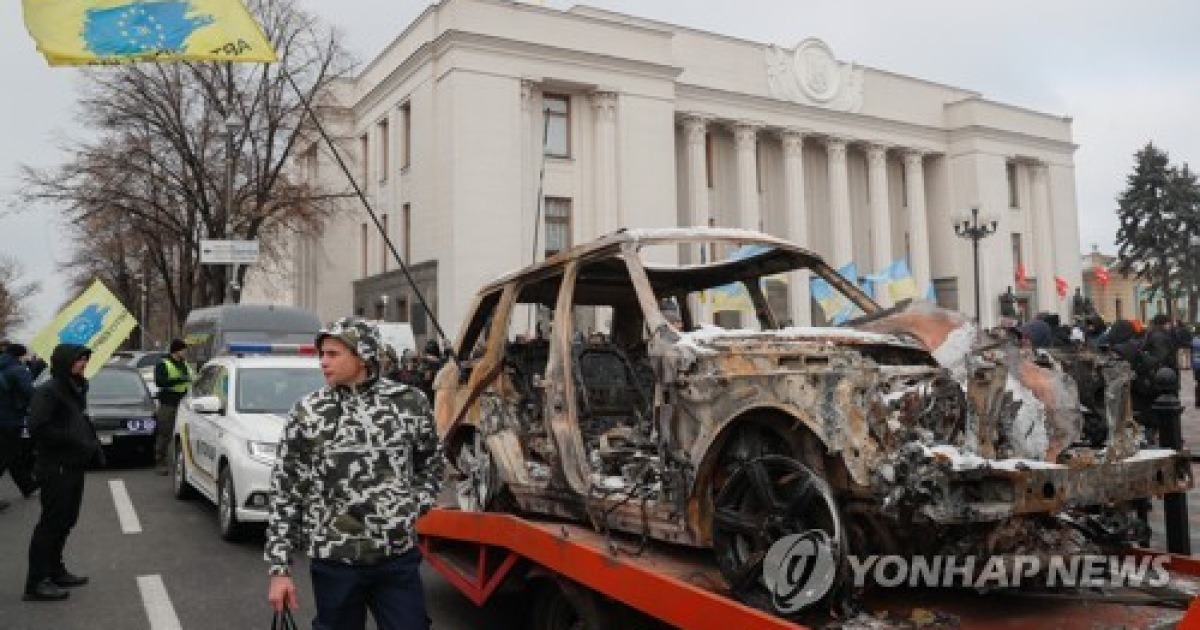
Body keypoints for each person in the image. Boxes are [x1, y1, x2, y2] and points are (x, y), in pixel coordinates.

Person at [265, 317, 444, 630]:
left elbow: (431, 460)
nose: (323, 362)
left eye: (333, 354)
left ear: (363, 356)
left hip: (395, 557)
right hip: (335, 562)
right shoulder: (308, 412)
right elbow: (286, 490)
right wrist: (279, 570)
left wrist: (412, 505)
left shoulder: (408, 403)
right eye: (321, 354)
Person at [24, 344, 100, 601]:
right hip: (55, 467)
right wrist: (73, 440)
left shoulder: (77, 388)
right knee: (51, 524)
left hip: (73, 465)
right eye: (80, 360)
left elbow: (79, 420)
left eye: (86, 359)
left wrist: (92, 444)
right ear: (65, 362)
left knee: (67, 521)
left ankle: (55, 570)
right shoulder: (49, 391)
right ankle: (37, 582)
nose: (84, 363)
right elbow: (38, 427)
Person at [0, 343, 39, 508]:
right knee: (4, 457)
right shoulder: (18, 369)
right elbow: (29, 392)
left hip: (4, 417)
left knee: (13, 455)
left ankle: (27, 485)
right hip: (9, 419)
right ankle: (27, 485)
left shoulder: (3, 365)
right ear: (20, 355)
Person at [153, 339, 192, 475]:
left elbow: (191, 379)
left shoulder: (184, 364)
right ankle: (160, 462)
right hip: (168, 404)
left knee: (183, 434)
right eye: (183, 350)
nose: (185, 352)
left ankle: (181, 462)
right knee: (165, 433)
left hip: (183, 404)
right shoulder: (163, 364)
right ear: (177, 351)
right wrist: (179, 379)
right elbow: (160, 382)